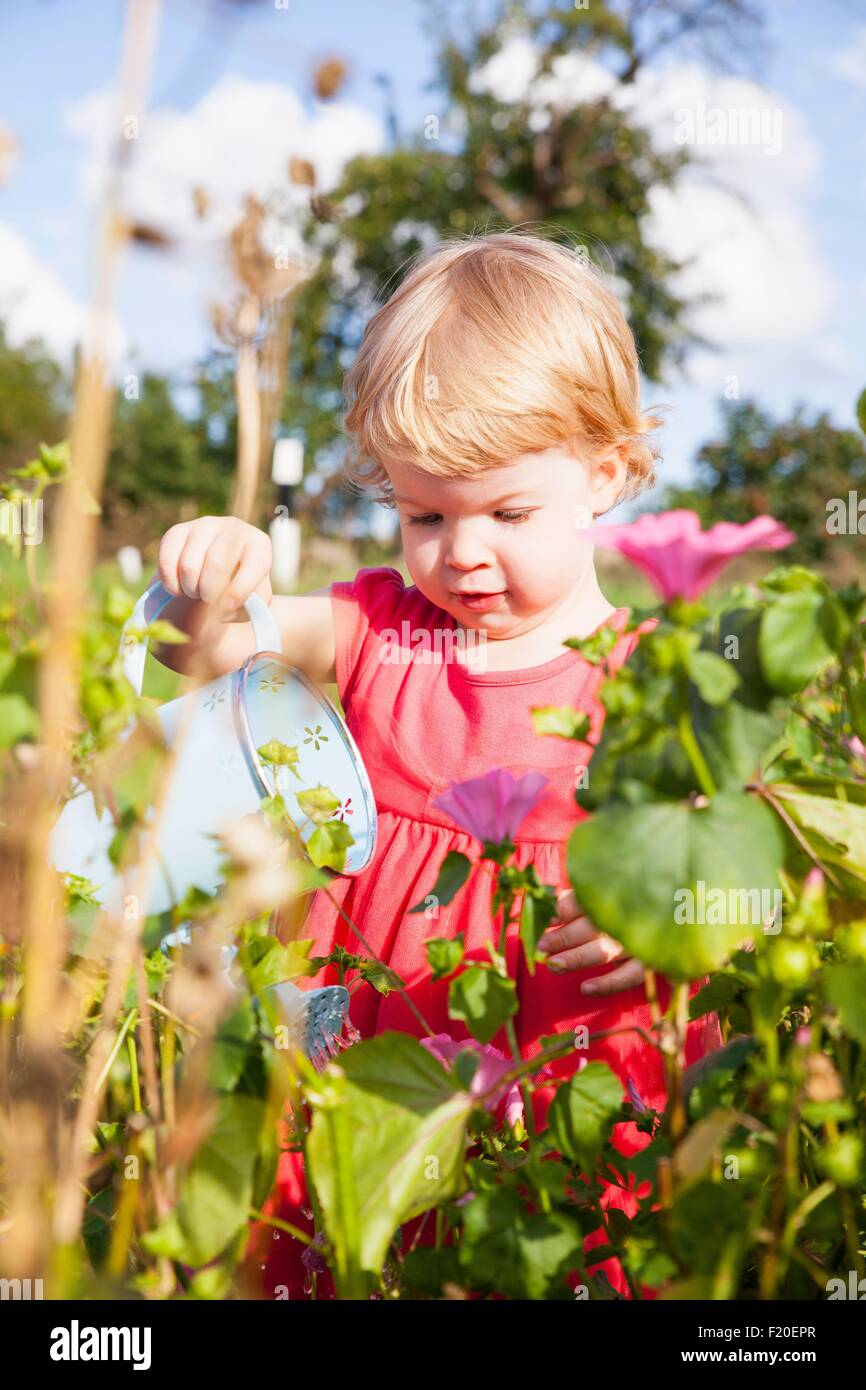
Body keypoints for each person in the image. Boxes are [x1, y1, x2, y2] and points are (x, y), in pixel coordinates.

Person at [151, 231, 722, 1300]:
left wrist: (670, 913)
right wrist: (209, 575)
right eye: (423, 513)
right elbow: (199, 655)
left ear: (602, 476)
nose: (459, 551)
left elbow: (746, 864)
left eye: (505, 513)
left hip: (557, 1089)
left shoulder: (653, 685)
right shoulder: (378, 626)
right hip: (365, 1080)